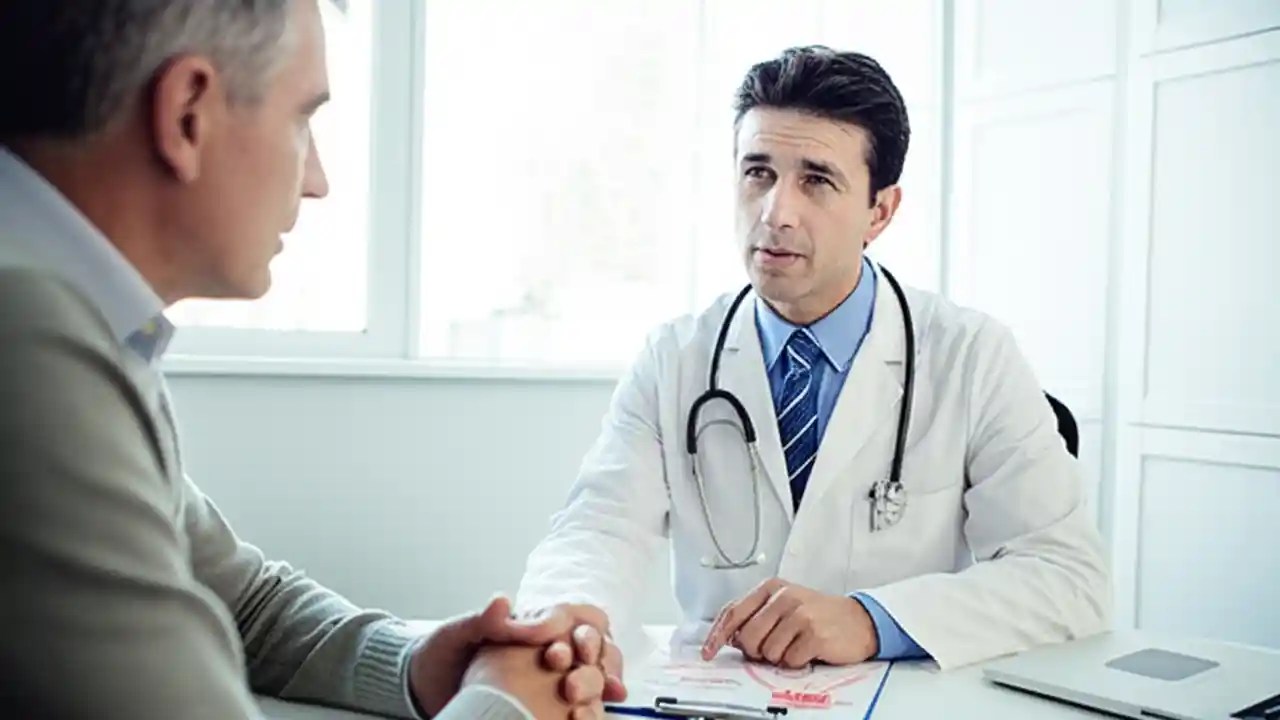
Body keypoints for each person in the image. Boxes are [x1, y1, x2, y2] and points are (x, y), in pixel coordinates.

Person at [0, 1, 623, 718]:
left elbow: (244, 604)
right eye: (302, 119)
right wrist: (503, 705)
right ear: (187, 114)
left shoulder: (89, 321)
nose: (317, 179)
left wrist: (424, 664)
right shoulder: (26, 337)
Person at [515, 46, 1111, 672]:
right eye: (758, 173)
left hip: (898, 693)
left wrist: (870, 620)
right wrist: (568, 621)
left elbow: (1069, 577)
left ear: (880, 211)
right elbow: (598, 528)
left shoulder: (972, 356)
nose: (776, 213)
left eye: (817, 180)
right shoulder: (674, 358)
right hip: (719, 691)